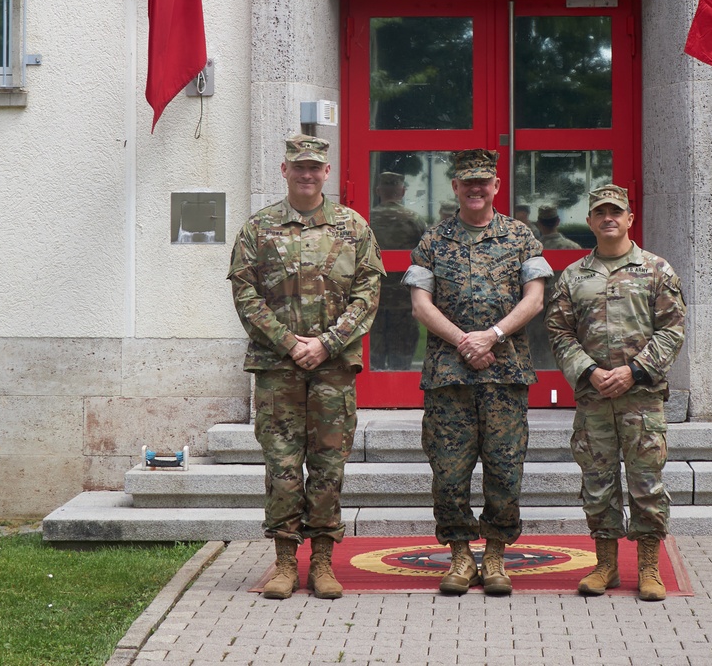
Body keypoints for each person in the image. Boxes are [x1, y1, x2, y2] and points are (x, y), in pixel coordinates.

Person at [228, 134, 385, 600]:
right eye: (299, 167)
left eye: (315, 167)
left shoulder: (353, 229)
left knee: (328, 467)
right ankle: (281, 562)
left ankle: (321, 561)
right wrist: (289, 343)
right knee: (281, 467)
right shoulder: (257, 229)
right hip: (279, 370)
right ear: (284, 170)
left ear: (326, 172)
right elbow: (245, 295)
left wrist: (327, 343)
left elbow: (368, 293)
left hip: (332, 370)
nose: (307, 174)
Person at [402, 149, 553, 596]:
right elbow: (419, 305)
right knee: (448, 471)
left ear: (496, 187)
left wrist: (492, 335)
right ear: (455, 188)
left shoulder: (521, 237)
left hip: (505, 376)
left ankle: (494, 555)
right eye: (467, 182)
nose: (475, 189)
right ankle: (460, 555)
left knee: (505, 470)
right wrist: (464, 341)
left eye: (483, 182)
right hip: (449, 378)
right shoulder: (432, 240)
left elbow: (535, 299)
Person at [545, 183, 685, 601]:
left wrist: (635, 370)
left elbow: (673, 329)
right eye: (600, 212)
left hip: (641, 399)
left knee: (647, 484)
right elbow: (558, 331)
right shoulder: (574, 275)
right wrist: (587, 371)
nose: (609, 218)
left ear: (629, 219)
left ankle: (648, 568)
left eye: (616, 211)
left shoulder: (656, 270)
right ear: (589, 221)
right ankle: (605, 566)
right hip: (594, 400)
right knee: (598, 484)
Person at [368, 171, 426, 370]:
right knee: (401, 361)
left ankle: (374, 399)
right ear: (402, 191)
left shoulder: (366, 220)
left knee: (373, 360)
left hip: (374, 299)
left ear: (378, 191)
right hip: (404, 301)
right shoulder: (414, 220)